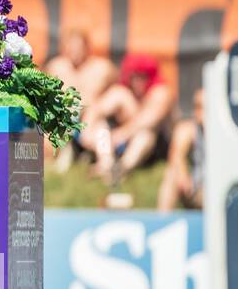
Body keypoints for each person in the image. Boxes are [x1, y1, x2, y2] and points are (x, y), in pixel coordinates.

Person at [78, 52, 176, 182]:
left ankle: (122, 168)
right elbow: (97, 110)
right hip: (119, 141)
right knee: (101, 127)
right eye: (134, 77)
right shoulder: (122, 93)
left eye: (142, 77)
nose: (137, 82)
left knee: (146, 134)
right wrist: (87, 129)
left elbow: (150, 120)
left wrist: (122, 133)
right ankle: (106, 163)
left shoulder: (160, 93)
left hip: (153, 148)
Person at [45, 28, 116, 170]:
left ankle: (107, 163)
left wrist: (94, 108)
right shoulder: (56, 67)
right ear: (65, 48)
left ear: (87, 48)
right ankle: (66, 152)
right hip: (61, 123)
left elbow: (114, 92)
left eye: (79, 48)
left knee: (102, 131)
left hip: (92, 120)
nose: (75, 52)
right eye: (71, 47)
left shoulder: (102, 67)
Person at [158, 87, 204, 211]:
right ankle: (162, 221)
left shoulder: (226, 134)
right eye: (196, 106)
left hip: (219, 191)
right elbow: (177, 154)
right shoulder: (189, 129)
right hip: (195, 188)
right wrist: (182, 174)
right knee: (171, 173)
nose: (198, 112)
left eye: (202, 107)